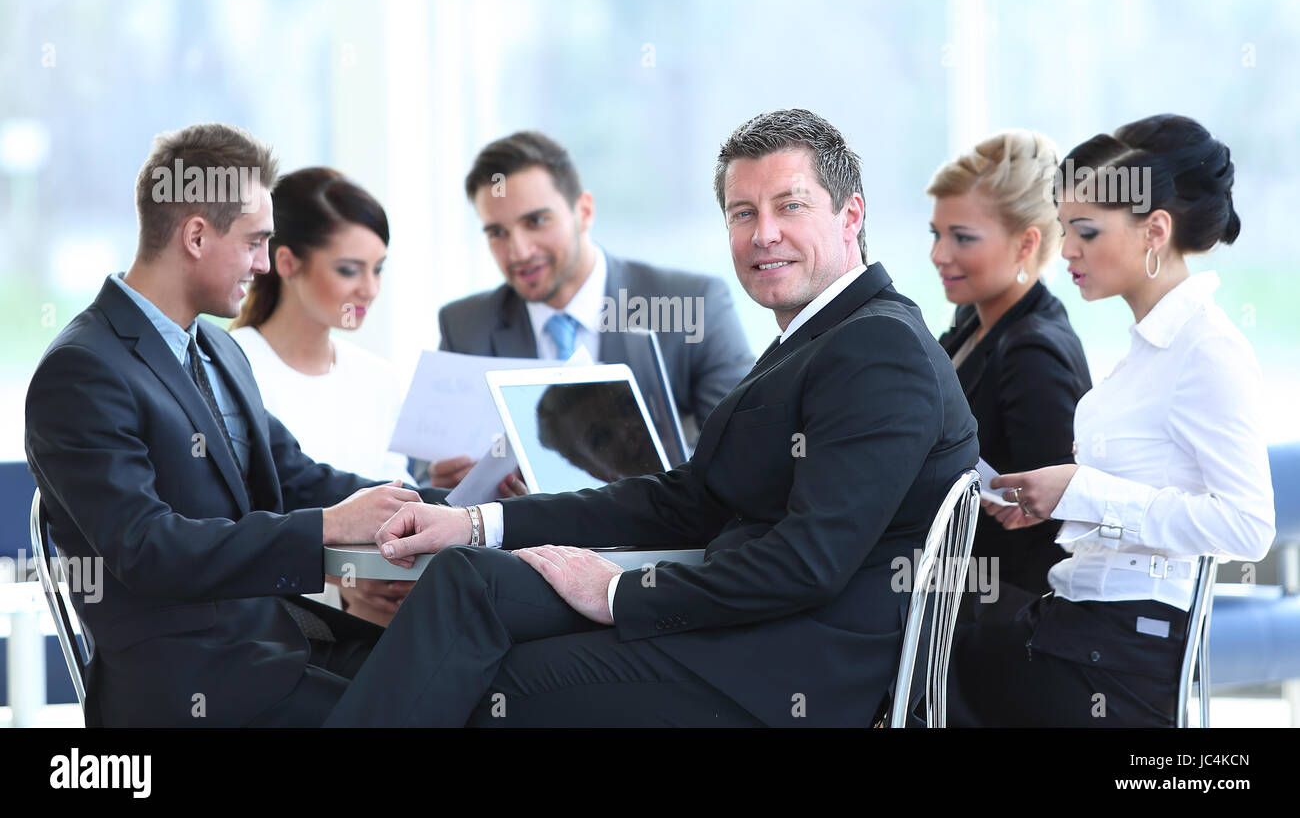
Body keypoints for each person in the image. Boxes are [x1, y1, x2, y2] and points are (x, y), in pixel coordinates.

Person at [324, 109, 979, 728]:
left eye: (790, 206)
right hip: (733, 630)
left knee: (483, 682)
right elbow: (684, 499)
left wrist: (620, 592)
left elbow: (808, 563)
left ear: (850, 214)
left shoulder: (877, 347)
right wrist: (475, 521)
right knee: (467, 577)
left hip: (783, 668)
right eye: (742, 213)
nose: (763, 233)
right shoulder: (815, 338)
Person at [24, 124, 444, 727]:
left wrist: (455, 511)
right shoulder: (83, 372)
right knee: (434, 701)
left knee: (460, 665)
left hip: (268, 643)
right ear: (196, 235)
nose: (263, 264)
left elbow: (296, 477)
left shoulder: (218, 351)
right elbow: (149, 549)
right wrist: (327, 529)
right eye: (254, 242)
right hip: (188, 683)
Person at [947, 114, 1275, 727]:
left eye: (1087, 231)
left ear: (1154, 231)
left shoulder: (1206, 349)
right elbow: (1146, 489)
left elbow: (1248, 526)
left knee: (908, 657)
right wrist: (1066, 501)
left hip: (1117, 657)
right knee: (912, 636)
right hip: (1076, 625)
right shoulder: (1148, 349)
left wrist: (1087, 490)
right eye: (1065, 227)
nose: (1066, 249)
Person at [420, 130, 754, 487]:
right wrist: (444, 481)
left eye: (536, 221)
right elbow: (422, 475)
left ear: (584, 212)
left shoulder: (692, 304)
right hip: (518, 538)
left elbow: (744, 454)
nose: (518, 251)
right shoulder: (465, 325)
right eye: (497, 232)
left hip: (653, 536)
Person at [229, 167, 415, 626]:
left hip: (397, 610)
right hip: (282, 623)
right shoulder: (235, 369)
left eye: (378, 269)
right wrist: (345, 580)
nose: (369, 289)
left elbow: (395, 503)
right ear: (287, 263)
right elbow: (234, 530)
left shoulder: (379, 378)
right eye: (349, 270)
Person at [928, 130, 1092, 602]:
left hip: (1000, 611)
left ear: (1026, 244)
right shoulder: (971, 323)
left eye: (962, 238)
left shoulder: (1032, 352)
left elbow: (1057, 533)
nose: (939, 254)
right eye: (937, 234)